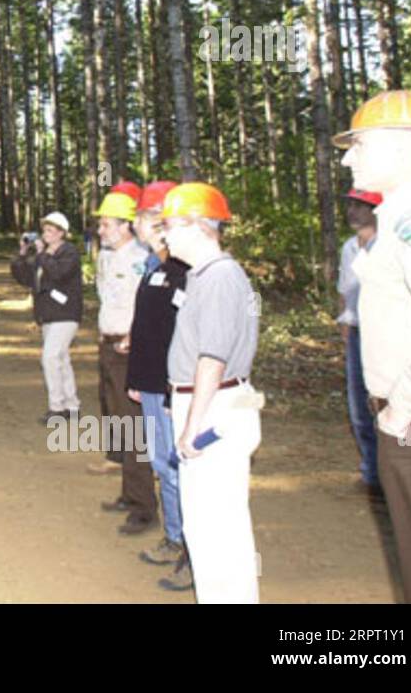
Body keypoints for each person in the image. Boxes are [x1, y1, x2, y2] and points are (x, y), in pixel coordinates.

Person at [335, 88, 411, 602]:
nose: (347, 156)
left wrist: (400, 408)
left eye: (358, 145)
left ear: (401, 146)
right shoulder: (405, 215)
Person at [162, 182, 263, 604]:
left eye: (169, 226)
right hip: (207, 401)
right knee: (205, 526)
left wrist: (193, 424)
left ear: (197, 227)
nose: (164, 236)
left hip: (214, 408)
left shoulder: (220, 276)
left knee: (218, 527)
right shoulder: (205, 275)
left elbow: (213, 358)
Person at [124, 181, 193, 589]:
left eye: (143, 218)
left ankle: (192, 553)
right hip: (150, 384)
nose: (137, 225)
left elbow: (186, 338)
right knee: (162, 467)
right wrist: (137, 380)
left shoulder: (185, 272)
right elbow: (147, 331)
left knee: (178, 470)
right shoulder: (155, 268)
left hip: (171, 388)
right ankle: (173, 537)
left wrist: (171, 390)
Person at [91, 192, 155, 536]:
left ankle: (144, 507)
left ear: (125, 226)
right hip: (107, 345)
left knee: (135, 429)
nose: (100, 230)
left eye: (106, 223)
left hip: (129, 351)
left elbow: (145, 306)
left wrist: (133, 339)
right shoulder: (105, 257)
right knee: (118, 423)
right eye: (100, 223)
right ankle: (129, 495)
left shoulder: (141, 259)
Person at [11, 211, 83, 423]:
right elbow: (24, 278)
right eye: (45, 230)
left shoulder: (69, 253)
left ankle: (57, 408)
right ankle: (72, 405)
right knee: (61, 359)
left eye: (51, 230)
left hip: (66, 314)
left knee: (50, 357)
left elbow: (59, 273)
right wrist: (23, 255)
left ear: (62, 233)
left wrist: (43, 255)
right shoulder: (42, 256)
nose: (46, 234)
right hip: (47, 314)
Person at [336, 188, 382, 498]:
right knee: (359, 408)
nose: (353, 211)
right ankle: (372, 473)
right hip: (356, 334)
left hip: (385, 335)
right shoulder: (349, 248)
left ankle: (396, 472)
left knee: (390, 404)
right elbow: (344, 289)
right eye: (351, 204)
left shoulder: (390, 246)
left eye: (360, 205)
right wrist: (343, 322)